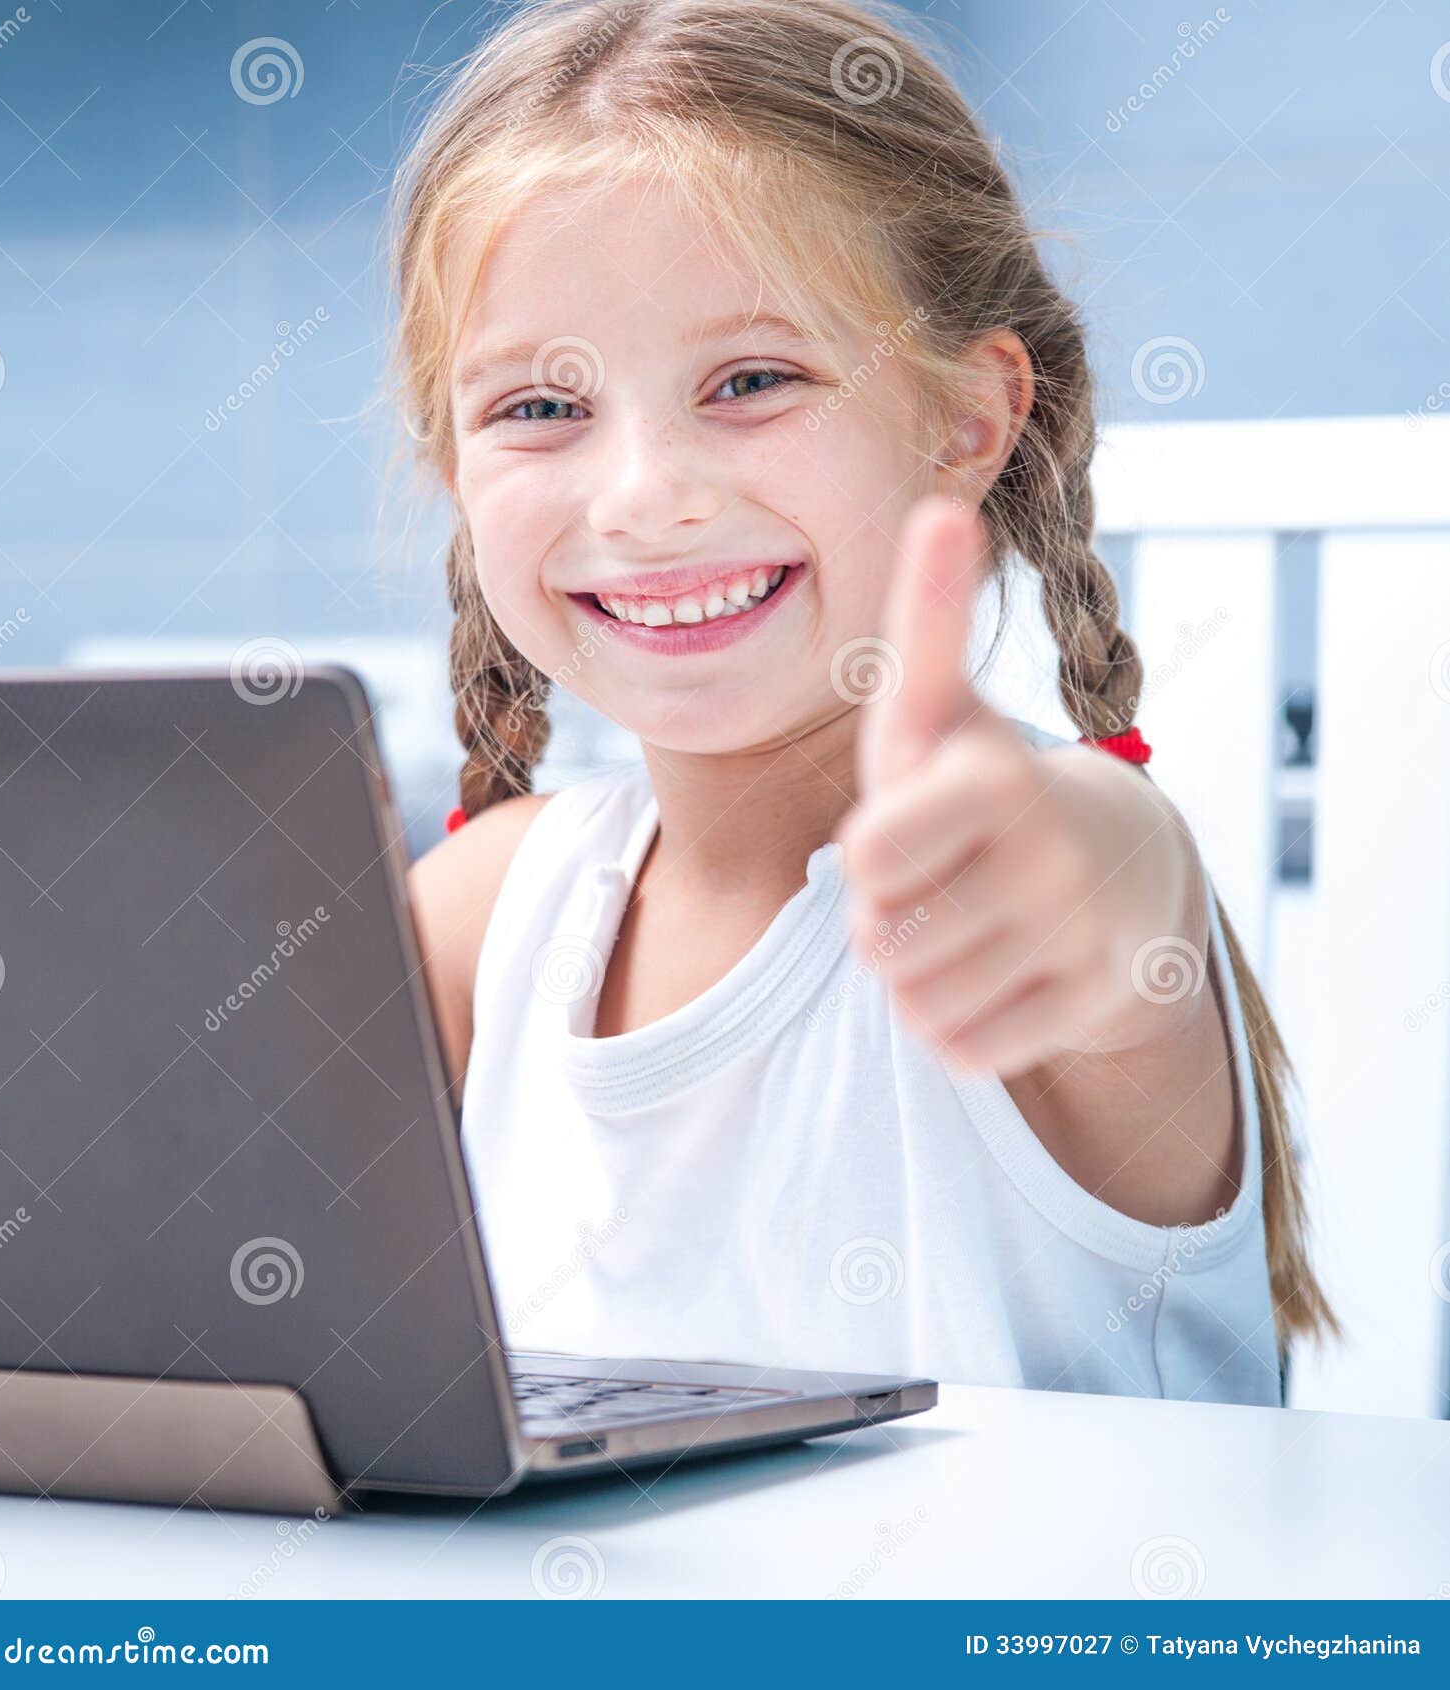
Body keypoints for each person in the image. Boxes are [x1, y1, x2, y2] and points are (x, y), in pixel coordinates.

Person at [396, 0, 1334, 1402]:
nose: (643, 493)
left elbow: (1110, 885)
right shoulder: (485, 913)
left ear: (966, 421)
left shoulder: (1050, 856)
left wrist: (1093, 859)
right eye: (537, 407)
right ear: (453, 465)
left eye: (752, 380)